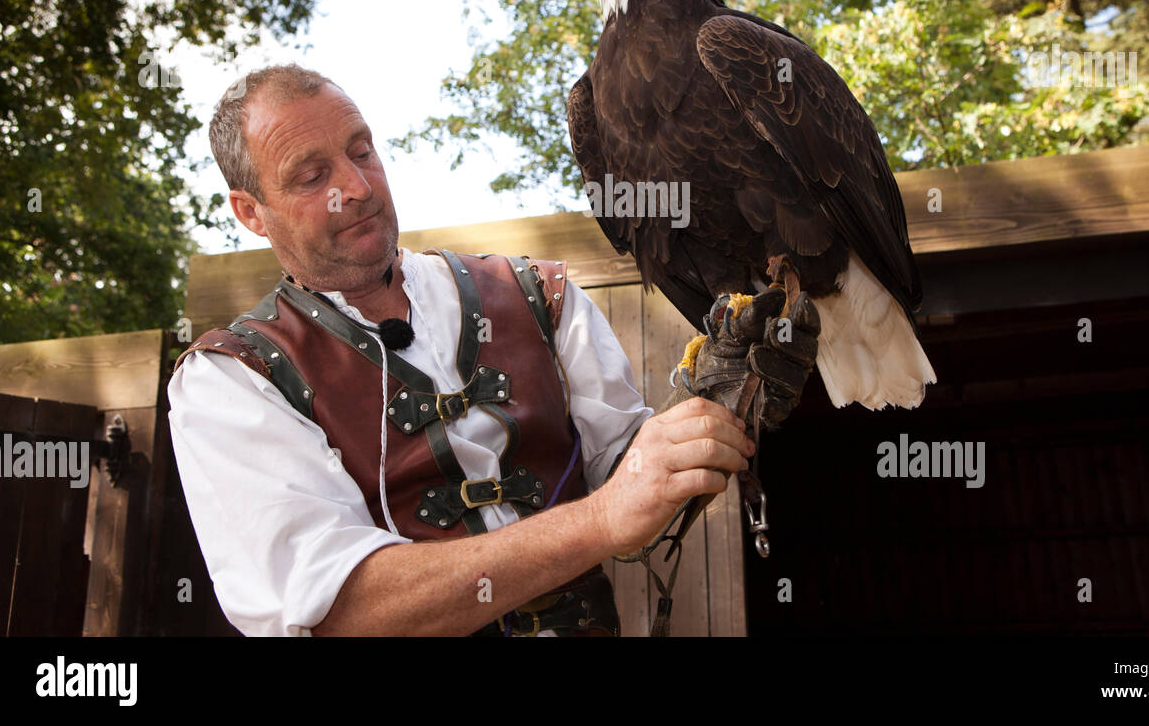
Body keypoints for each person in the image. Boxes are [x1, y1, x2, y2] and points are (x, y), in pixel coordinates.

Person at [166, 64, 762, 637]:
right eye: (311, 176)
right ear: (250, 212)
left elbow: (638, 495)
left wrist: (717, 405)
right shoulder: (232, 379)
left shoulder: (538, 296)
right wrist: (603, 518)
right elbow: (340, 609)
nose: (357, 186)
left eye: (361, 149)